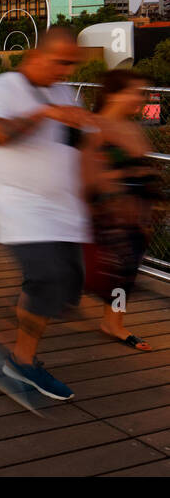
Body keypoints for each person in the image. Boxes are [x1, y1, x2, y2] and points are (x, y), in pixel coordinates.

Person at [0, 26, 101, 401]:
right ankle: (20, 362)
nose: (68, 71)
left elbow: (79, 146)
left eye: (72, 64)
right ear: (35, 55)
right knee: (47, 279)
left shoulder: (63, 92)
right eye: (61, 62)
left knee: (65, 292)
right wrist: (44, 113)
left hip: (65, 211)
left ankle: (2, 336)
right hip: (21, 207)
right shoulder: (0, 89)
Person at [81, 69, 164, 352]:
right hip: (102, 217)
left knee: (125, 275)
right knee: (79, 274)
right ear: (114, 93)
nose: (141, 98)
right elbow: (88, 174)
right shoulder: (93, 126)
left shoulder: (131, 127)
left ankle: (114, 323)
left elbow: (141, 171)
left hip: (134, 218)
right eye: (136, 92)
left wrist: (148, 210)